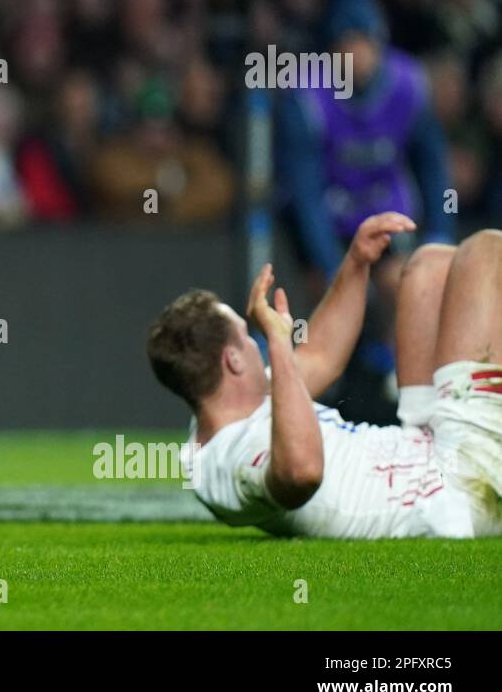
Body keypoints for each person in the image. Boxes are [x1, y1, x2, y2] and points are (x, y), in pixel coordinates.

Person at [146, 212, 502, 538]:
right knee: (484, 253)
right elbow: (301, 473)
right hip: (457, 496)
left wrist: (357, 260)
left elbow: (319, 355)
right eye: (248, 337)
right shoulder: (224, 463)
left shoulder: (240, 403)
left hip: (427, 450)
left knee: (429, 267)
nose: (259, 345)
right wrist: (280, 343)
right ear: (233, 361)